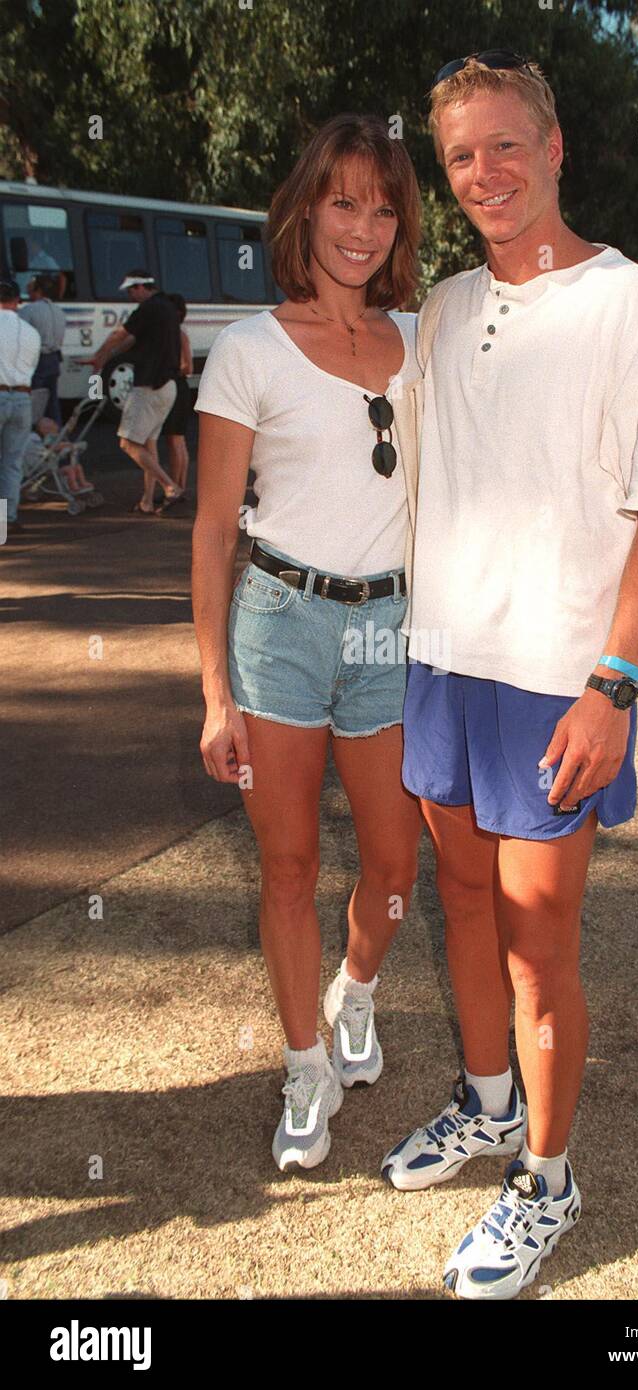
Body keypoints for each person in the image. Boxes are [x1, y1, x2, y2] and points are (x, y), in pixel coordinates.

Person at [383, 53, 638, 1300]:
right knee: (462, 905)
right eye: (461, 157)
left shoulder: (635, 304)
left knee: (535, 947)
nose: (483, 174)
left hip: (555, 684)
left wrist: (611, 685)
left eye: (504, 146)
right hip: (442, 667)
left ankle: (548, 1184)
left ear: (555, 147)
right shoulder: (452, 309)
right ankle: (485, 1104)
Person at [192, 114, 424, 1172]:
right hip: (279, 625)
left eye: (383, 206)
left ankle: (357, 991)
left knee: (391, 860)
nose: (363, 226)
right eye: (343, 201)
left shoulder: (423, 339)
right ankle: (303, 1066)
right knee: (285, 865)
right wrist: (213, 692)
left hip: (390, 626)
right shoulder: (246, 350)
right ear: (304, 209)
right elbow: (210, 530)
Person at [82, 271, 184, 515]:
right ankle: (147, 501)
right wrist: (107, 357)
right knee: (148, 446)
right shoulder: (167, 308)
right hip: (168, 386)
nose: (130, 296)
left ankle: (170, 486)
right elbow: (131, 341)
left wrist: (99, 356)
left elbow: (121, 335)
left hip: (149, 386)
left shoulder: (148, 308)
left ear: (141, 287)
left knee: (127, 442)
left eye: (130, 291)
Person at [0, 278, 41, 539]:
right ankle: (6, 519)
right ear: (18, 301)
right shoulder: (31, 332)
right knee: (12, 463)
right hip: (23, 398)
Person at [19, 275, 66, 426]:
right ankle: (56, 435)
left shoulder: (28, 310)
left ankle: (34, 436)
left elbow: (19, 336)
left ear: (38, 290)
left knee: (35, 402)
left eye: (30, 288)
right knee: (52, 402)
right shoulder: (59, 311)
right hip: (54, 359)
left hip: (38, 360)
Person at [161, 293, 192, 496]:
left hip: (177, 386)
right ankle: (179, 484)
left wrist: (168, 369)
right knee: (177, 440)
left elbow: (186, 366)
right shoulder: (179, 333)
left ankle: (176, 486)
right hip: (181, 388)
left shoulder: (178, 334)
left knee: (174, 440)